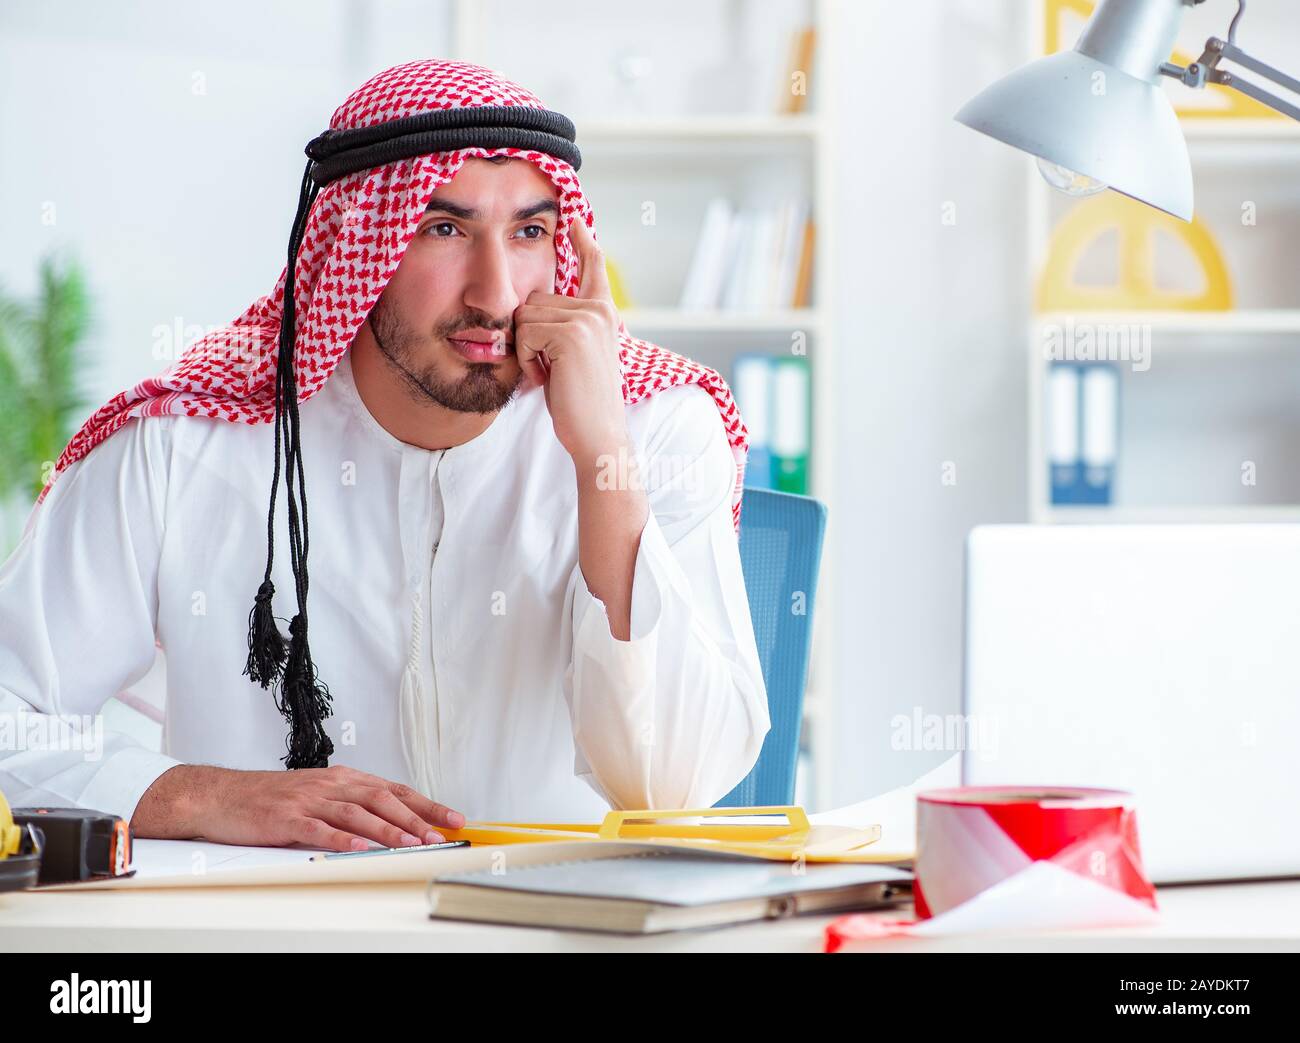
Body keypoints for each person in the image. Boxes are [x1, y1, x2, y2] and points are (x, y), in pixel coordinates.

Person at [0, 59, 769, 852]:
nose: (496, 294)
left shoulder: (658, 428)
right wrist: (202, 794)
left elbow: (673, 786)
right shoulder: (180, 443)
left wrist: (603, 457)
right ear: (357, 242)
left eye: (530, 232)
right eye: (444, 229)